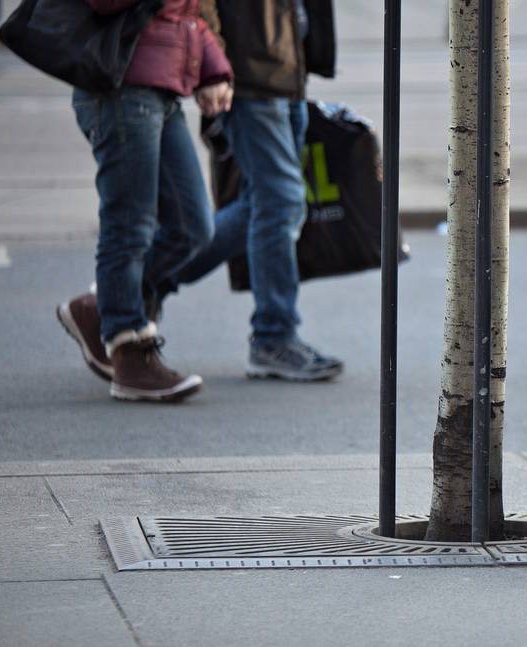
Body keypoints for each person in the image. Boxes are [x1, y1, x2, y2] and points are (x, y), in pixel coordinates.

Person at [152, 0, 343, 381]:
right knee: (281, 202)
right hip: (249, 72)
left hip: (286, 66)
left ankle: (147, 277)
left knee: (264, 205)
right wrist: (214, 65)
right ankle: (273, 336)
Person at [56, 0, 233, 402]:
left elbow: (187, 13)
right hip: (120, 83)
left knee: (194, 225)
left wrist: (214, 68)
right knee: (129, 225)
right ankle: (129, 352)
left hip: (163, 86)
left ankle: (103, 305)